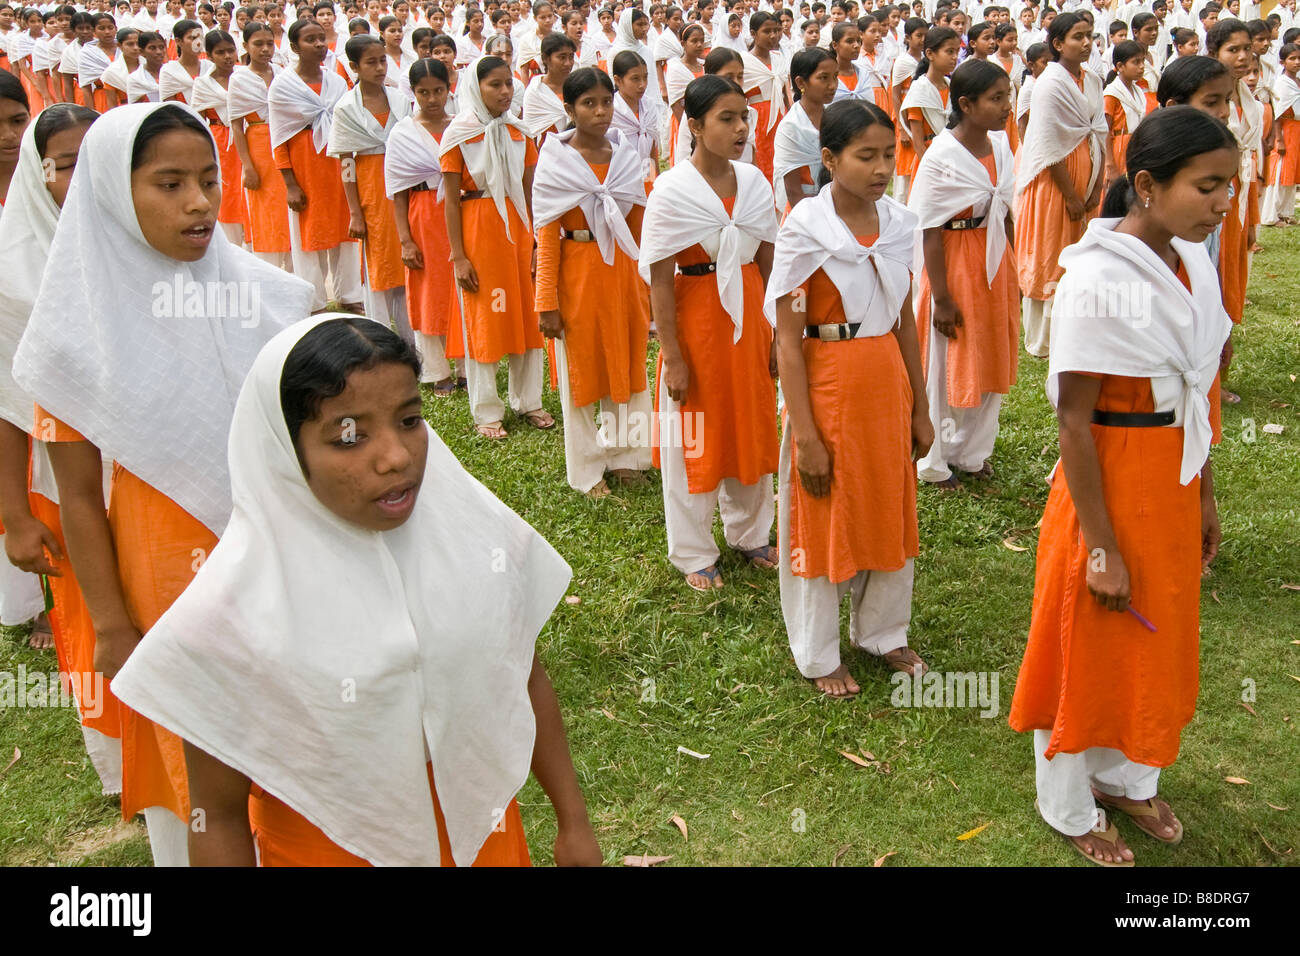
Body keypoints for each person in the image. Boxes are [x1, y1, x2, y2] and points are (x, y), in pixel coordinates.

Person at [109, 314, 602, 867]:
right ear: (284, 452)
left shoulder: (473, 543)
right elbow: (217, 815)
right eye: (349, 435)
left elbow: (523, 673)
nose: (396, 456)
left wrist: (573, 820)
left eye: (409, 419)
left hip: (483, 844)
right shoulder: (226, 618)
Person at [11, 102, 314, 866]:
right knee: (194, 760)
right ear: (114, 193)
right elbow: (79, 494)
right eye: (170, 183)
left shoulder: (261, 295)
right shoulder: (74, 332)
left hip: (274, 547)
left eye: (208, 180)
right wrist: (112, 626)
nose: (200, 202)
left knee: (286, 739)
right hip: (162, 565)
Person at [1008, 106, 1236, 866]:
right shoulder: (1097, 278)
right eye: (1207, 186)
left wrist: (1201, 492)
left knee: (1157, 627)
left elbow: (1192, 389)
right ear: (1146, 184)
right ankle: (1069, 802)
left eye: (1228, 186)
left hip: (1171, 474)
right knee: (1088, 631)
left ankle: (1129, 773)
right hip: (1109, 477)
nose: (1223, 202)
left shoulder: (1192, 260)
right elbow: (1074, 421)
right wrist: (1101, 546)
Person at [770, 99, 930, 696]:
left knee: (887, 501)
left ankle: (884, 631)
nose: (881, 167)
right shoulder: (804, 230)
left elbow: (905, 319)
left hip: (885, 381)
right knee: (823, 510)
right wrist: (805, 433)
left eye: (889, 154)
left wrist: (920, 405)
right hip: (828, 384)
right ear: (830, 158)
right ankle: (817, 652)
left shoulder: (898, 225)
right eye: (866, 156)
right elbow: (788, 341)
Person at [0, 102, 123, 787]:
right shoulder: (12, 275)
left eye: (92, 162)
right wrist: (16, 516)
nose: (80, 180)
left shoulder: (141, 242)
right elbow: (5, 404)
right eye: (64, 164)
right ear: (36, 171)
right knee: (97, 618)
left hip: (150, 477)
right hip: (64, 482)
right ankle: (121, 765)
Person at [641, 74, 779, 592]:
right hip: (696, 320)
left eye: (744, 116)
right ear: (695, 126)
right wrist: (672, 355)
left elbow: (769, 261)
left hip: (749, 320)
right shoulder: (672, 190)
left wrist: (777, 334)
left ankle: (751, 532)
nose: (741, 127)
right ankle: (694, 549)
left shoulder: (756, 183)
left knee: (751, 421)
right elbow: (659, 276)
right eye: (727, 118)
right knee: (692, 433)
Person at [535, 67, 651, 497]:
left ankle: (624, 456)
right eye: (589, 103)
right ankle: (586, 470)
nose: (601, 111)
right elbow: (547, 239)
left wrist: (649, 287)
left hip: (622, 273)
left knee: (626, 362)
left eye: (606, 102)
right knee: (583, 372)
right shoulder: (556, 163)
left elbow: (640, 227)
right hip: (578, 275)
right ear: (569, 109)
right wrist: (546, 301)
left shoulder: (624, 157)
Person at [910, 58, 1018, 492]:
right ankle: (935, 460)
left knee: (988, 354)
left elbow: (1004, 209)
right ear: (967, 105)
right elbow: (930, 229)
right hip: (954, 263)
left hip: (993, 264)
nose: (1006, 105)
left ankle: (972, 452)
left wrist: (1011, 262)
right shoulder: (941, 156)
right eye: (997, 98)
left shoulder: (1002, 145)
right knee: (946, 361)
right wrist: (941, 296)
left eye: (1007, 95)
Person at [440, 54, 554, 438]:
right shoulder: (459, 133)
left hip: (518, 234)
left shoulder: (520, 131)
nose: (505, 91)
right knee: (484, 318)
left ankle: (528, 400)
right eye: (495, 85)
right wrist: (458, 256)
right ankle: (487, 410)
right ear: (477, 87)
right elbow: (452, 201)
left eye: (509, 83)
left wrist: (538, 243)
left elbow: (530, 189)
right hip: (479, 234)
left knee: (525, 313)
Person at [1014, 12, 1105, 360]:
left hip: (1086, 173)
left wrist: (1096, 185)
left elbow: (1098, 131)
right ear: (1057, 44)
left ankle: (1075, 328)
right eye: (1077, 37)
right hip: (1055, 181)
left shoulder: (1093, 80)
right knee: (1052, 251)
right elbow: (1049, 146)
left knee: (1080, 252)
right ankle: (1043, 339)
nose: (1085, 43)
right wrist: (1070, 194)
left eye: (1089, 36)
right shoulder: (1048, 83)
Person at [270, 17, 364, 312]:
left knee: (346, 231)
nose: (319, 44)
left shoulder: (336, 82)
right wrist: (290, 184)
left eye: (322, 38)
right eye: (311, 40)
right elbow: (278, 138)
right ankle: (314, 302)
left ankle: (349, 295)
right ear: (295, 46)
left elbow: (349, 126)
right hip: (304, 168)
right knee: (308, 237)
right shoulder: (283, 86)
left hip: (337, 165)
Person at [388, 57, 466, 395]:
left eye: (438, 91)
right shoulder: (403, 132)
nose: (432, 99)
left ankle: (466, 365)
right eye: (424, 92)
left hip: (461, 212)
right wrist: (405, 240)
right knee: (428, 292)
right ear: (413, 93)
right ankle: (436, 370)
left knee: (461, 288)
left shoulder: (462, 125)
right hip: (423, 215)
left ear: (449, 89)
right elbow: (397, 192)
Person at [328, 34, 412, 338]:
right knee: (379, 266)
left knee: (409, 258)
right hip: (372, 190)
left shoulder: (400, 100)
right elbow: (347, 163)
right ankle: (380, 335)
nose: (379, 68)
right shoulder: (346, 109)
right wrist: (355, 212)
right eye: (371, 62)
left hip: (404, 186)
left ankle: (412, 335)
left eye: (382, 60)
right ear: (354, 66)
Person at [230, 21, 291, 268]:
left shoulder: (282, 73)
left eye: (269, 43)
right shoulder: (239, 78)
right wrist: (247, 165)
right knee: (265, 208)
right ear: (245, 46)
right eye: (258, 44)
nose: (265, 49)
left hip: (285, 142)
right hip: (258, 145)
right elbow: (236, 124)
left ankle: (292, 266)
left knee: (289, 205)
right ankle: (268, 267)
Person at [191, 29, 247, 245]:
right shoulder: (203, 83)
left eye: (231, 51)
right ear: (209, 55)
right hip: (221, 141)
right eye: (220, 52)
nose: (227, 57)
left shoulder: (246, 76)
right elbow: (197, 119)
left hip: (249, 137)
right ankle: (232, 242)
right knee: (229, 191)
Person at [898, 25, 958, 201]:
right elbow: (918, 142)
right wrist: (933, 170)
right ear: (930, 54)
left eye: (956, 51)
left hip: (952, 158)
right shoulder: (920, 91)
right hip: (929, 160)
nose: (955, 57)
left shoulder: (951, 86)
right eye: (949, 52)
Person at [774, 45, 836, 209]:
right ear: (801, 82)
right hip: (804, 209)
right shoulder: (791, 127)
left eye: (835, 77)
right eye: (824, 78)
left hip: (836, 202)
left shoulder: (834, 117)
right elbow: (793, 191)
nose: (832, 85)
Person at [741, 10, 787, 183]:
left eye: (776, 30)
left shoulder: (779, 58)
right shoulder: (744, 60)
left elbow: (785, 93)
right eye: (767, 31)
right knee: (761, 158)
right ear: (753, 33)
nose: (773, 35)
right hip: (757, 118)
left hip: (780, 117)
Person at [1103, 40, 1149, 189]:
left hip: (1136, 145)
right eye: (1136, 62)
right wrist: (1109, 164)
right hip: (1119, 148)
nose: (1142, 66)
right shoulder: (1111, 93)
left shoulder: (1138, 91)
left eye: (1142, 61)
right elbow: (1104, 130)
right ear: (1120, 66)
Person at [1262, 41, 1299, 223]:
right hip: (1285, 128)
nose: (1297, 62)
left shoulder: (1297, 81)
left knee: (1292, 171)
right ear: (1283, 62)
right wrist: (1279, 139)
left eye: (1299, 58)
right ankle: (1271, 214)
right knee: (1280, 170)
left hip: (1297, 129)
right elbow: (1277, 112)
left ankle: (1286, 211)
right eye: (1292, 59)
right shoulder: (1282, 83)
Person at [522, 32, 576, 143]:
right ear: (545, 58)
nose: (568, 63)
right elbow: (530, 132)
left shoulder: (578, 87)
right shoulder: (535, 92)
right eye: (562, 57)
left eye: (571, 57)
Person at [665, 21, 705, 165]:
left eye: (701, 40)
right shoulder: (676, 68)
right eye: (694, 41)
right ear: (683, 43)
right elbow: (676, 104)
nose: (699, 45)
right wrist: (690, 130)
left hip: (703, 122)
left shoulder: (704, 65)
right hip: (684, 121)